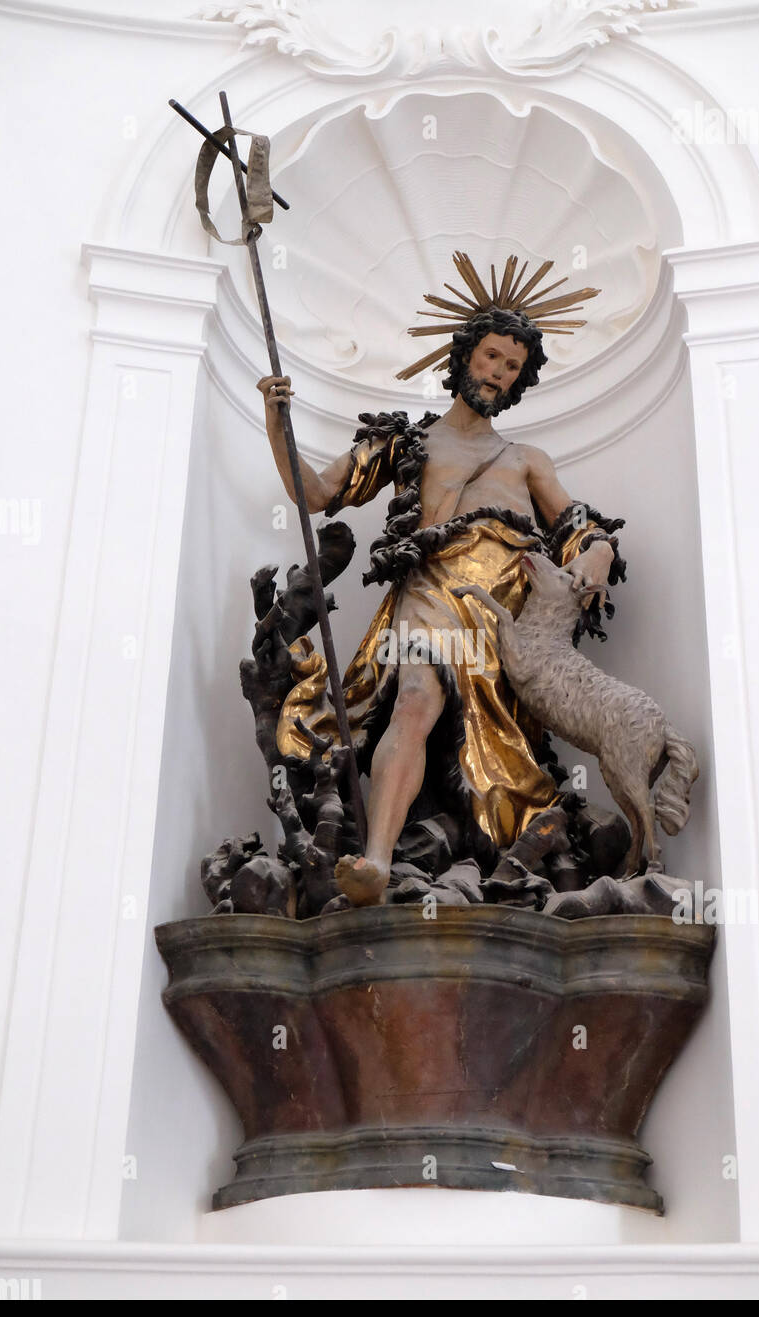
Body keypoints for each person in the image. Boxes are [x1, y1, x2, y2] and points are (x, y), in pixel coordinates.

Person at [258, 273, 622, 906]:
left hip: (500, 624)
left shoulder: (525, 458)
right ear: (464, 355)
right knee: (415, 701)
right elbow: (313, 495)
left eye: (514, 365)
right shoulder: (406, 441)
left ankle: (482, 852)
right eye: (493, 356)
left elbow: (577, 527)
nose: (502, 372)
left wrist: (598, 549)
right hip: (426, 596)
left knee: (502, 754)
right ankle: (373, 862)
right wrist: (275, 422)